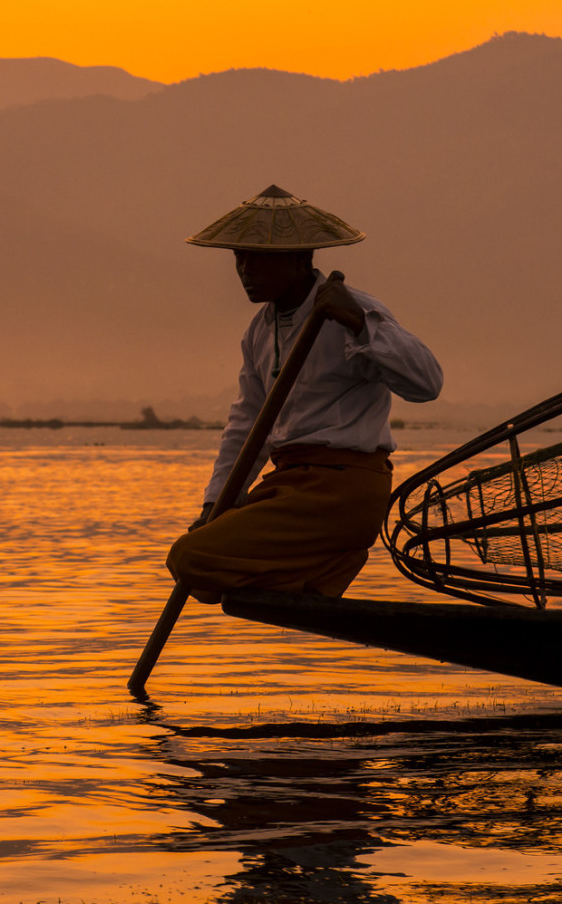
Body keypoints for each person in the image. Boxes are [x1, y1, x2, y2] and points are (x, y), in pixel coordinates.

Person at [167, 186, 443, 602]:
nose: (244, 270)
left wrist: (359, 324)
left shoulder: (352, 310)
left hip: (342, 487)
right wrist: (216, 504)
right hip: (290, 482)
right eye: (239, 258)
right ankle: (325, 568)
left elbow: (427, 383)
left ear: (298, 259)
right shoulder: (259, 331)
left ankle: (331, 559)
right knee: (202, 584)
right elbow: (247, 424)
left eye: (257, 258)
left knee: (188, 557)